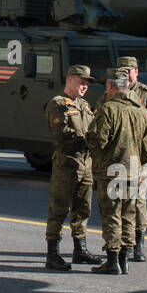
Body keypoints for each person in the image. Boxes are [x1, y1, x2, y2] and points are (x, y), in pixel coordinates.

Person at [85, 68, 147, 275]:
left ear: (111, 86)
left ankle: (112, 259)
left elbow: (97, 140)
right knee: (129, 215)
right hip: (134, 171)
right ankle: (125, 257)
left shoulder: (108, 109)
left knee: (112, 215)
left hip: (111, 170)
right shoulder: (141, 110)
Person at [42, 65, 103, 271]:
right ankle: (52, 254)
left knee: (83, 209)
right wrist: (89, 140)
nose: (85, 86)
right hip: (67, 163)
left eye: (87, 83)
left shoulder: (84, 105)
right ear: (70, 80)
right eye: (81, 81)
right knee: (59, 208)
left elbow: (92, 127)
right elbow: (62, 133)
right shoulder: (58, 105)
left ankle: (80, 250)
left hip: (85, 163)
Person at [116, 55, 147, 263]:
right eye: (122, 71)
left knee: (138, 199)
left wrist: (143, 143)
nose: (126, 74)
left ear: (137, 72)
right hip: (117, 156)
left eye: (129, 71)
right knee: (115, 200)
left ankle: (138, 244)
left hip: (138, 157)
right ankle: (117, 243)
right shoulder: (114, 91)